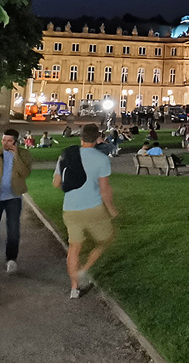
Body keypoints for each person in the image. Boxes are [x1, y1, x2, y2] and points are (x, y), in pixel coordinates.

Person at [52, 124, 118, 298]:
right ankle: (85, 269)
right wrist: (111, 209)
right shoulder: (102, 159)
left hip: (70, 208)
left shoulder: (66, 155)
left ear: (80, 137)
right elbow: (104, 189)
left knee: (74, 247)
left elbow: (56, 183)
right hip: (93, 208)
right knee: (106, 240)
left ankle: (74, 288)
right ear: (98, 139)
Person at [0, 129, 33, 274]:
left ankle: (11, 259)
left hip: (13, 197)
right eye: (3, 140)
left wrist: (16, 157)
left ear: (15, 141)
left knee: (13, 229)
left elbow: (25, 173)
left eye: (9, 140)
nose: (5, 143)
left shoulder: (24, 155)